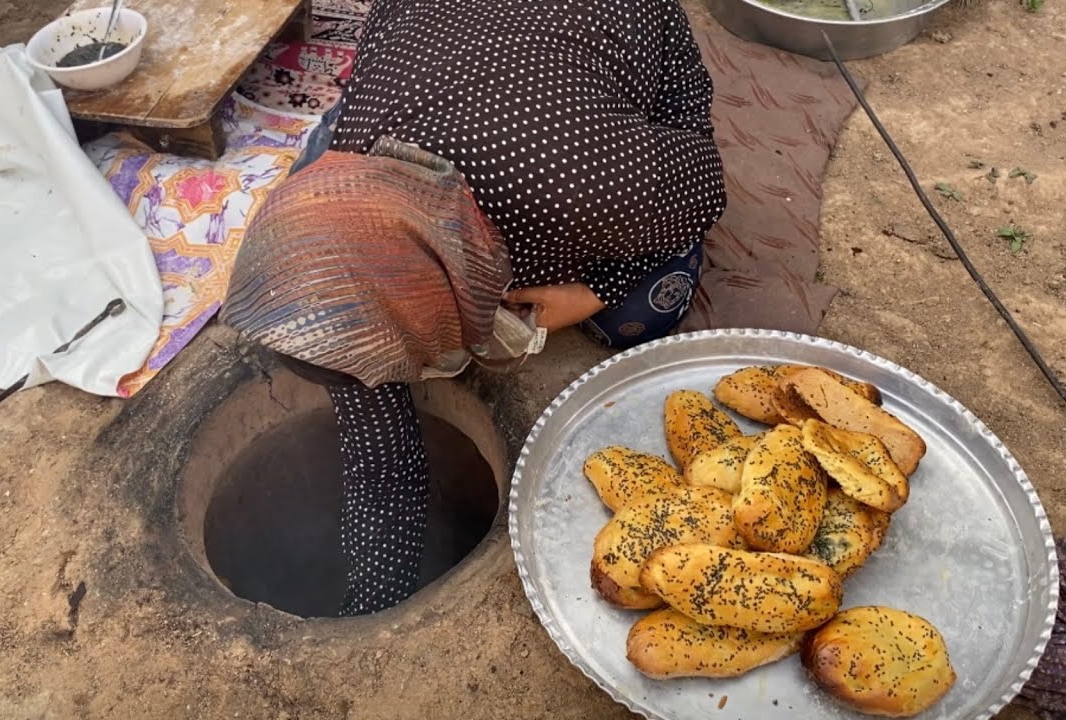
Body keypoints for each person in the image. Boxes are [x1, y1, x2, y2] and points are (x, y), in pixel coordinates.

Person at [223, 0, 725, 616]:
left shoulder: (587, 190)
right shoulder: (353, 154)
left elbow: (707, 182)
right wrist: (373, 609)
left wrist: (590, 292)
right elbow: (380, 456)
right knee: (345, 300)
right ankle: (375, 589)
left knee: (636, 315)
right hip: (450, 46)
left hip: (620, 58)